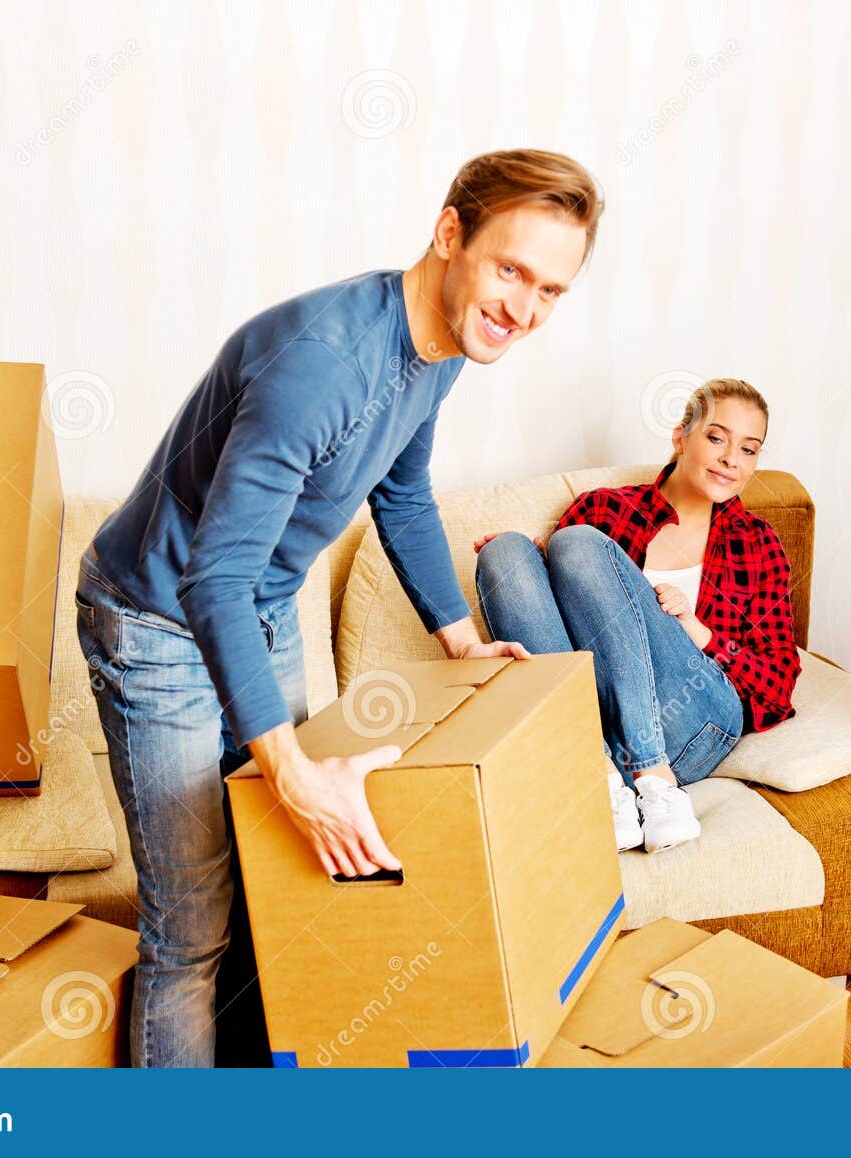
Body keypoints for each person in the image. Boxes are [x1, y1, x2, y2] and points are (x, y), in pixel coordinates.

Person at [75, 149, 603, 1067]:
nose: (524, 311)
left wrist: (463, 640)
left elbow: (401, 491)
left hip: (259, 607)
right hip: (160, 621)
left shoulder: (443, 344)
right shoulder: (322, 367)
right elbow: (211, 581)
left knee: (276, 883)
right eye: (511, 270)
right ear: (450, 235)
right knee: (189, 929)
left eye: (551, 290)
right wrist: (293, 774)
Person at [473, 378, 800, 852]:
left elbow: (779, 682)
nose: (732, 459)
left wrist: (702, 635)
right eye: (716, 438)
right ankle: (601, 777)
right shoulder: (605, 510)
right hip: (601, 729)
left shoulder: (758, 543)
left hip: (694, 722)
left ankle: (655, 779)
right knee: (505, 553)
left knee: (577, 542)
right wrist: (521, 568)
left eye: (749, 449)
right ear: (680, 437)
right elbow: (558, 632)